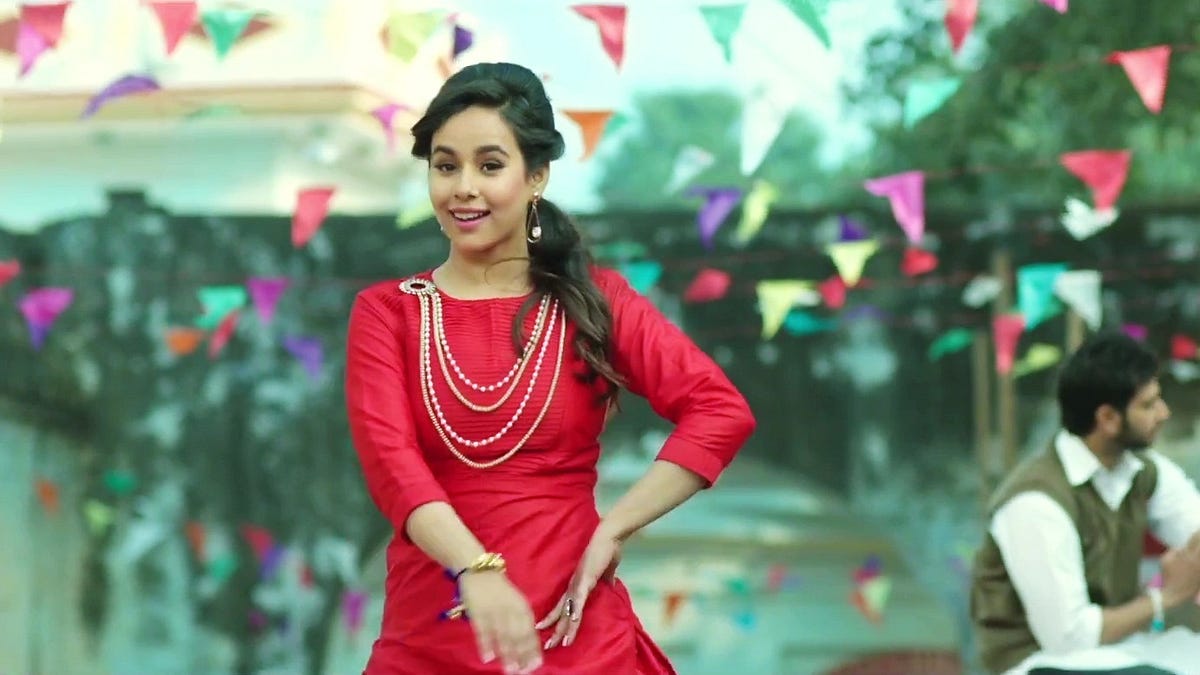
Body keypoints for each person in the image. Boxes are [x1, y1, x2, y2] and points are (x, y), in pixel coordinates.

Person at [344, 62, 756, 675]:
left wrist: (614, 529)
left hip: (577, 638)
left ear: (536, 175)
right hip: (432, 637)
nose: (463, 187)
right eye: (445, 165)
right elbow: (392, 467)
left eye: (490, 165)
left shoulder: (594, 301)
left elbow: (719, 410)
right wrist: (475, 568)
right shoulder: (389, 312)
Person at [970, 331, 1200, 674]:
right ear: (1107, 418)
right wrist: (1168, 597)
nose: (1163, 413)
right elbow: (1068, 639)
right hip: (1042, 663)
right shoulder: (1035, 502)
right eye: (1148, 405)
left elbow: (1194, 526)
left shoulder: (1142, 471)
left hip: (1119, 652)